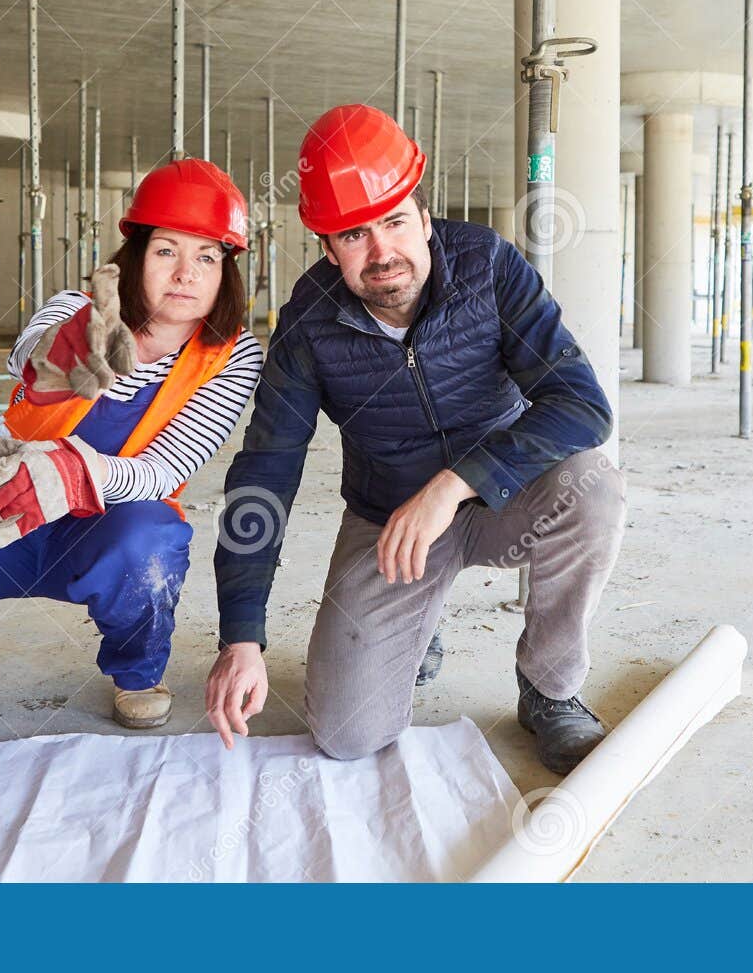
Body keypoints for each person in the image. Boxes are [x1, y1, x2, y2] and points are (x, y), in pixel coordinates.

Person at [204, 104, 625, 774]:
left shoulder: (489, 265)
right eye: (352, 235)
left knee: (593, 486)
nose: (381, 253)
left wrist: (456, 482)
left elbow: (581, 404)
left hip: (499, 498)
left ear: (425, 217)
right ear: (325, 244)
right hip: (391, 522)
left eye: (396, 221)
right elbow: (265, 472)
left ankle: (550, 688)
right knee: (345, 732)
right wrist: (241, 634)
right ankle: (416, 624)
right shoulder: (309, 322)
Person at [0, 158, 262, 739]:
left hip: (106, 520)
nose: (186, 273)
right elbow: (28, 358)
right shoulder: (73, 309)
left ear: (227, 272)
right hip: (0, 499)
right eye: (167, 251)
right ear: (135, 254)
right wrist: (65, 355)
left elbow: (168, 468)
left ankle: (137, 674)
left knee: (152, 545)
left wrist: (78, 472)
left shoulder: (233, 354)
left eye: (207, 257)